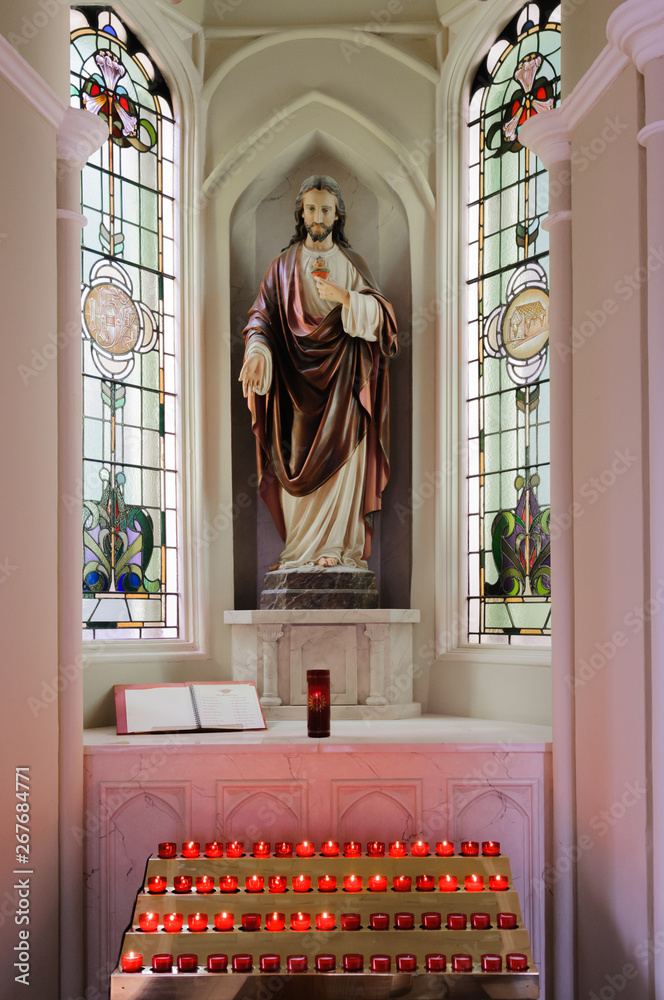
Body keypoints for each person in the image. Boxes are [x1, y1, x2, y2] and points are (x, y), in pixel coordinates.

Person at [239, 175, 398, 570]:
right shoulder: (282, 267)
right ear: (301, 212)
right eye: (311, 208)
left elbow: (385, 321)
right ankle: (298, 552)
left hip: (345, 385)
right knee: (296, 459)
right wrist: (258, 351)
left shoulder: (352, 264)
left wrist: (346, 299)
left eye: (325, 209)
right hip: (295, 386)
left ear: (337, 213)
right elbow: (261, 317)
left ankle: (337, 548)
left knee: (342, 466)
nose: (318, 216)